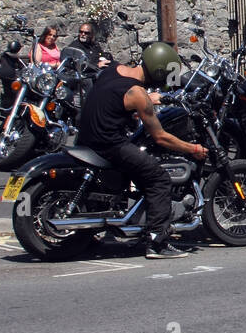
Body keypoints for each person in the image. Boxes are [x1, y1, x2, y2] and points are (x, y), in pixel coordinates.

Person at [74, 42, 209, 259]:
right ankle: (157, 242)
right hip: (109, 145)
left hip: (87, 138)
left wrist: (149, 98)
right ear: (157, 72)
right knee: (159, 178)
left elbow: (120, 98)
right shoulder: (137, 93)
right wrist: (192, 148)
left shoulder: (114, 69)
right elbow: (160, 137)